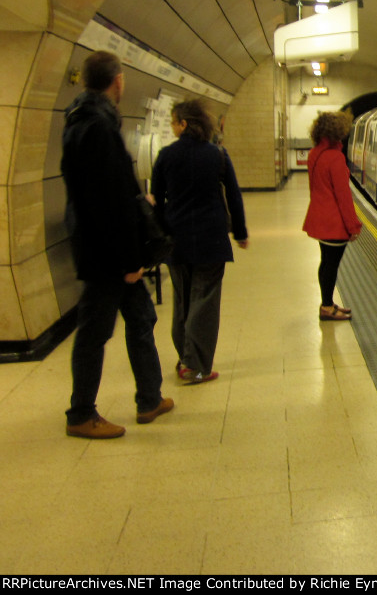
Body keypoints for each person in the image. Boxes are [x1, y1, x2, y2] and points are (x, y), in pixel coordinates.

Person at [61, 50, 173, 438]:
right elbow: (109, 202)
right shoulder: (98, 128)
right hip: (107, 255)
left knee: (141, 317)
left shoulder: (79, 120)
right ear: (118, 80)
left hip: (100, 246)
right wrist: (130, 259)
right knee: (94, 331)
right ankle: (80, 414)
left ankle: (150, 398)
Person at [151, 99, 248, 385]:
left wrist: (159, 237)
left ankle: (185, 358)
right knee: (204, 302)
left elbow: (156, 201)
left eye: (173, 122)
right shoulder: (217, 155)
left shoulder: (165, 156)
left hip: (176, 239)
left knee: (182, 301)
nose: (171, 127)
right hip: (211, 239)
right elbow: (233, 195)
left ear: (183, 124)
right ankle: (194, 365)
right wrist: (240, 232)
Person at [303, 111, 362, 320]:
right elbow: (343, 197)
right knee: (331, 265)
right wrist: (353, 226)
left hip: (319, 218)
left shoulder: (314, 154)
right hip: (334, 223)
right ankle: (327, 307)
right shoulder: (335, 158)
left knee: (326, 262)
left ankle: (327, 303)